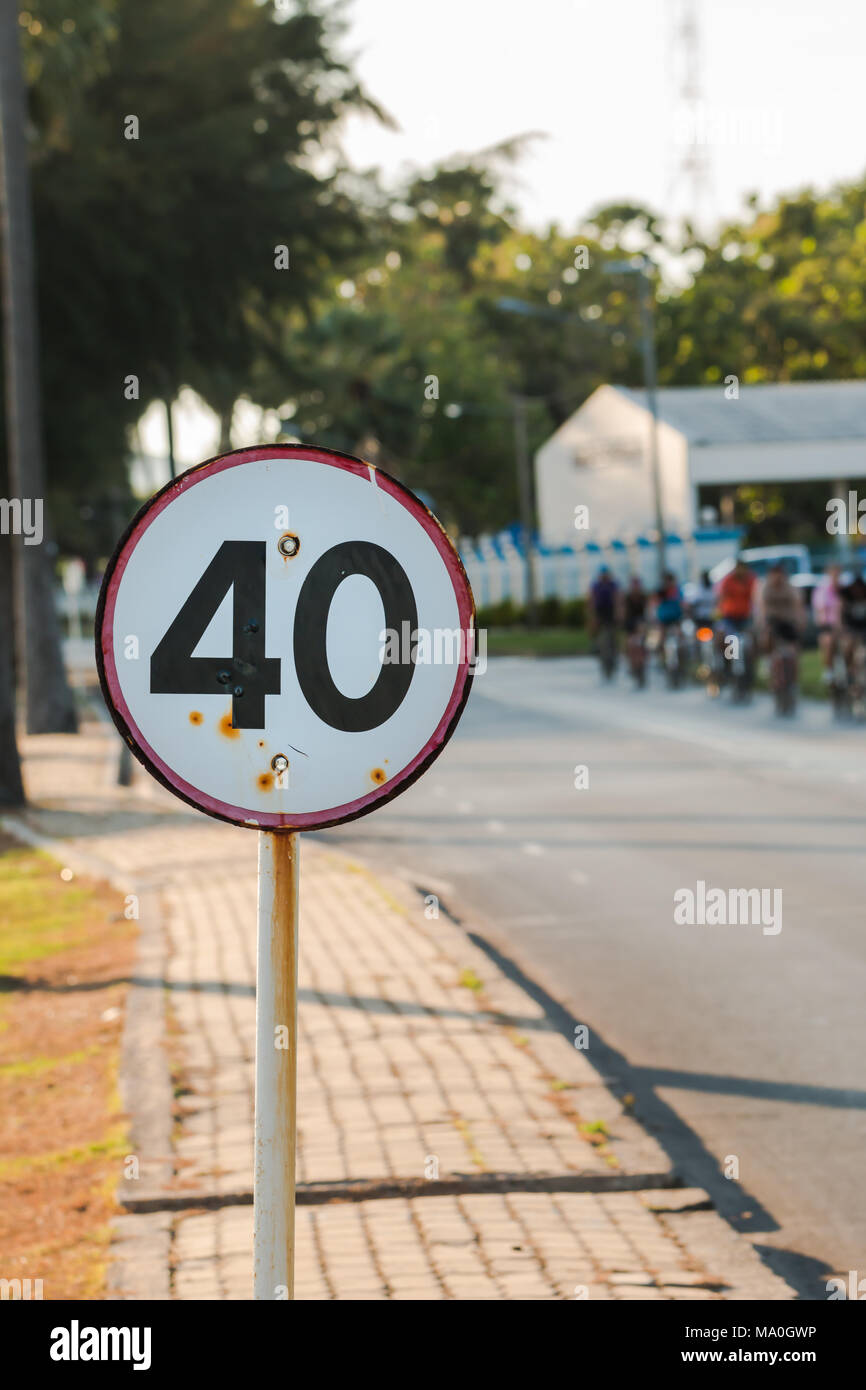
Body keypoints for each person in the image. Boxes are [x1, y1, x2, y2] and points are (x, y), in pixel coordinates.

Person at [811, 565, 843, 676]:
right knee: (829, 642)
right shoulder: (822, 591)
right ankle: (829, 672)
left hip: (843, 628)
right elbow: (821, 614)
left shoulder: (843, 590)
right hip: (828, 627)